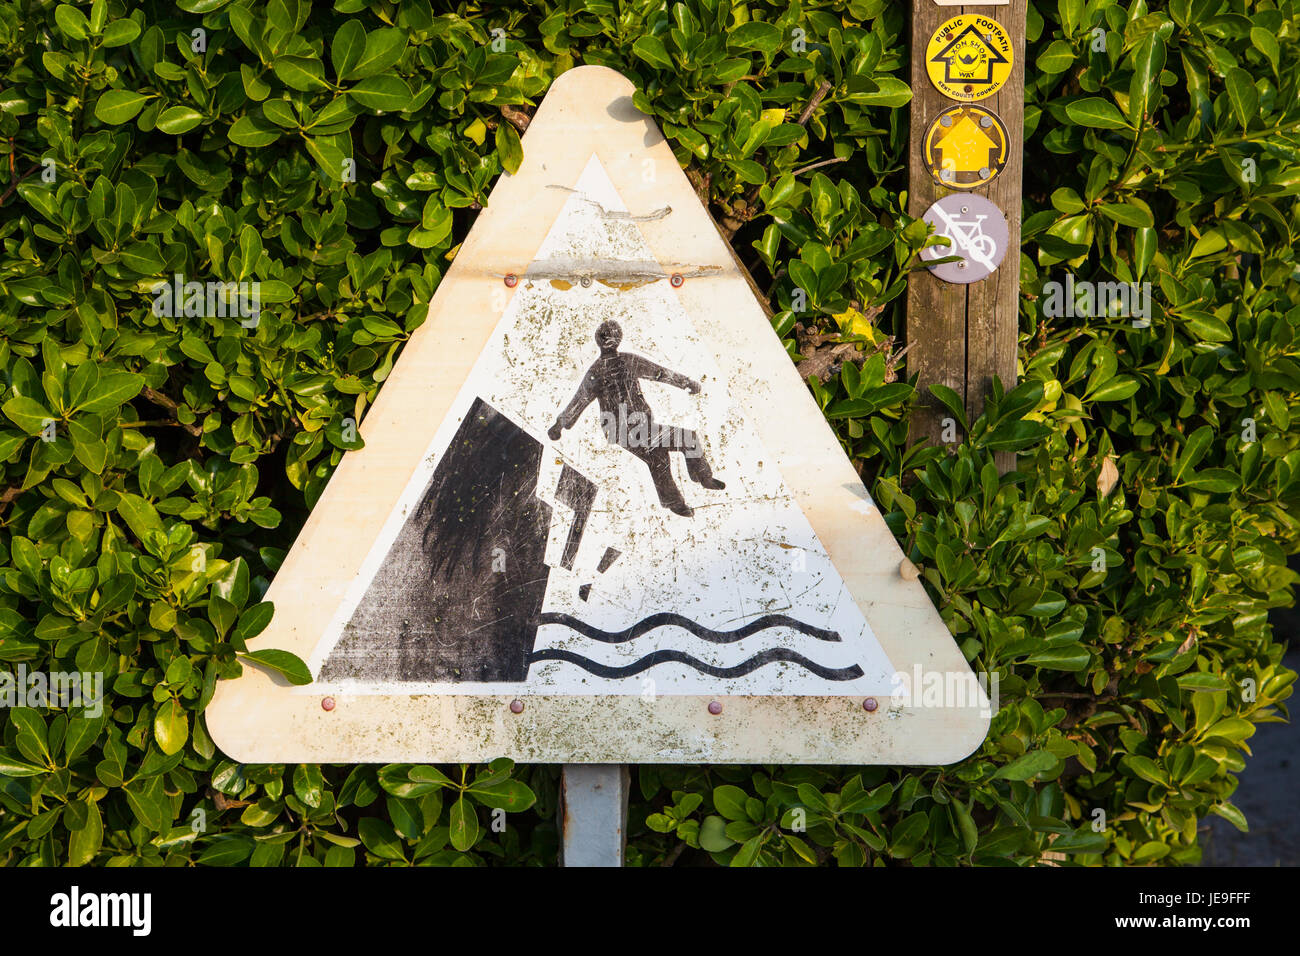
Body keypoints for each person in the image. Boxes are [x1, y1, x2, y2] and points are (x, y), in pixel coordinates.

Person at [548, 320, 724, 517]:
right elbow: (580, 399)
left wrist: (686, 383)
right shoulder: (598, 371)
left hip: (633, 428)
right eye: (607, 337)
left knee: (658, 459)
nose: (609, 342)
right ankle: (702, 476)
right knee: (687, 438)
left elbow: (658, 372)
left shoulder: (625, 362)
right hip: (626, 429)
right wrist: (559, 424)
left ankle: (674, 502)